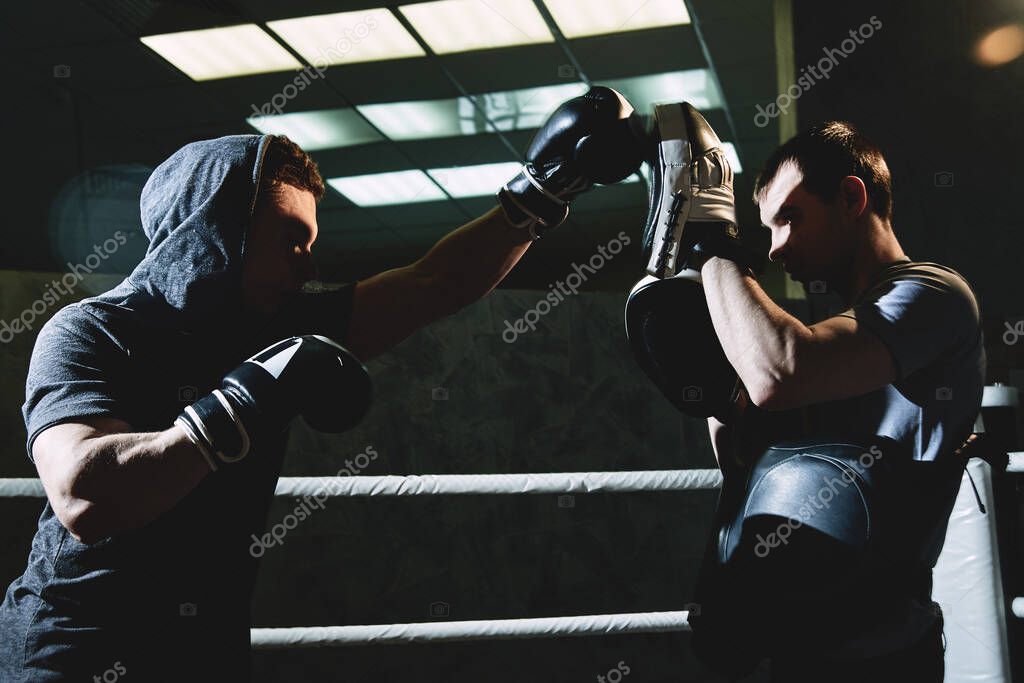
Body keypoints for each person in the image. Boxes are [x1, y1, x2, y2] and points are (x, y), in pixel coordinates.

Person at [0, 87, 647, 681]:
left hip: (203, 646)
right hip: (72, 649)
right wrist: (242, 401)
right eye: (291, 240)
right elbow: (85, 496)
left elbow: (435, 282)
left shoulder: (280, 323)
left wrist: (543, 189)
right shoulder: (92, 328)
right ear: (215, 231)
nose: (308, 265)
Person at [625, 104, 984, 681]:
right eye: (766, 229)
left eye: (789, 218)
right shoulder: (824, 335)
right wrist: (720, 395)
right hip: (795, 647)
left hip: (880, 660)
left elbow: (781, 373)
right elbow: (747, 468)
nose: (773, 248)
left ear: (851, 197)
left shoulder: (933, 294)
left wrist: (709, 241)